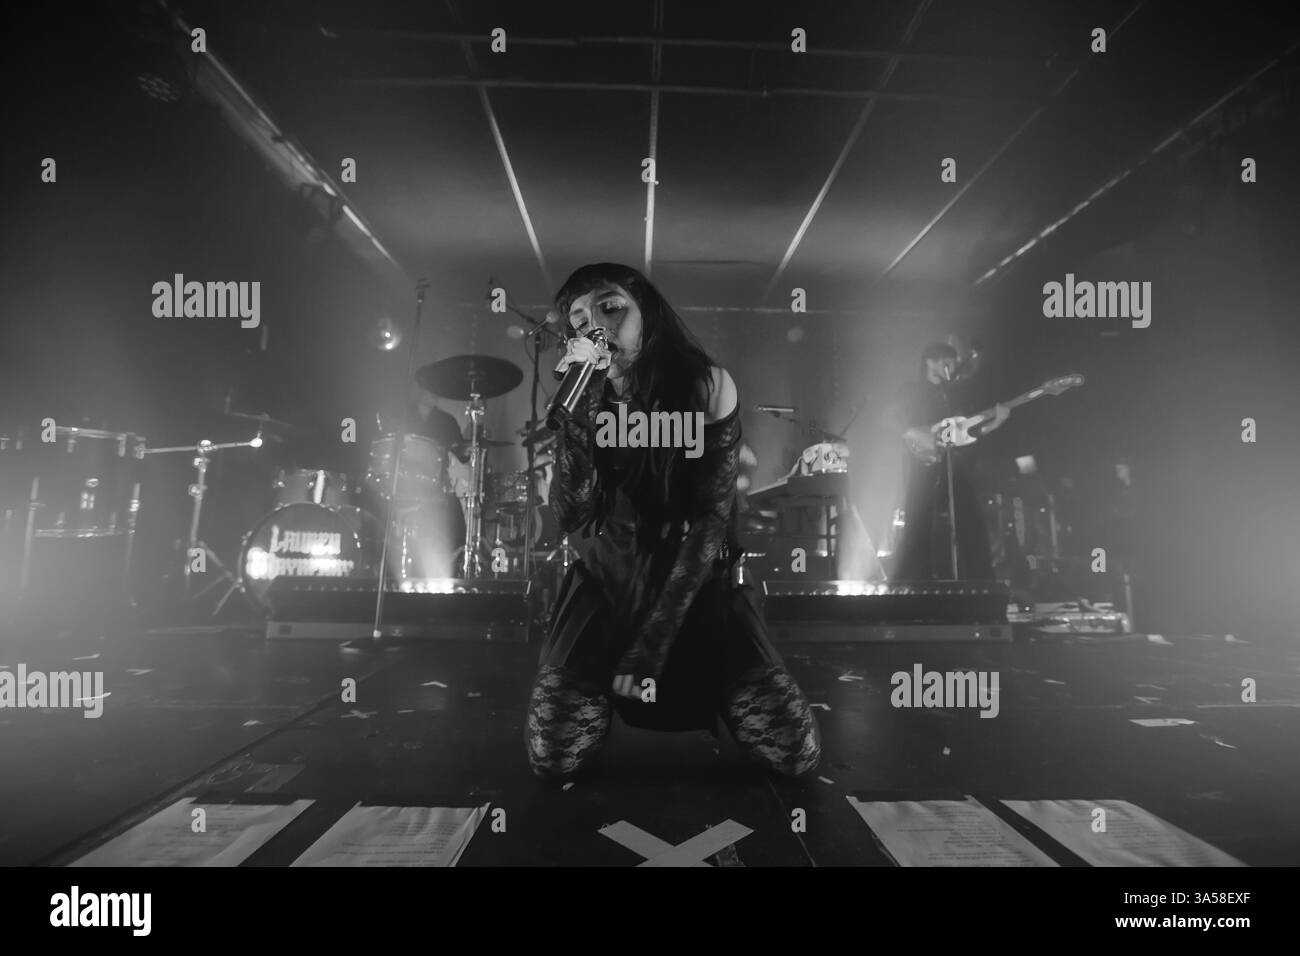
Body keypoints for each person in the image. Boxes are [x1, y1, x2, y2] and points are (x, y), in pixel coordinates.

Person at [525, 263, 821, 779]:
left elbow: (712, 517)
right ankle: (597, 700)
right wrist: (578, 419)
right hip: (607, 584)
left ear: (648, 314)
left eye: (611, 308)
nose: (595, 326)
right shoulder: (586, 398)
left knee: (795, 754)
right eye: (578, 318)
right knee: (553, 757)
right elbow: (571, 513)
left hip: (693, 584)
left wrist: (652, 644)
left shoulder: (707, 387)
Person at [881, 342, 1008, 581]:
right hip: (923, 464)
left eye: (952, 361)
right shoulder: (912, 391)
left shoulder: (951, 395)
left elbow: (964, 433)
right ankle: (912, 581)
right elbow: (887, 418)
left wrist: (994, 423)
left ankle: (981, 581)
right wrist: (912, 432)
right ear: (930, 362)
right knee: (918, 522)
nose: (950, 366)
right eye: (945, 361)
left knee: (972, 519)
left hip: (952, 464)